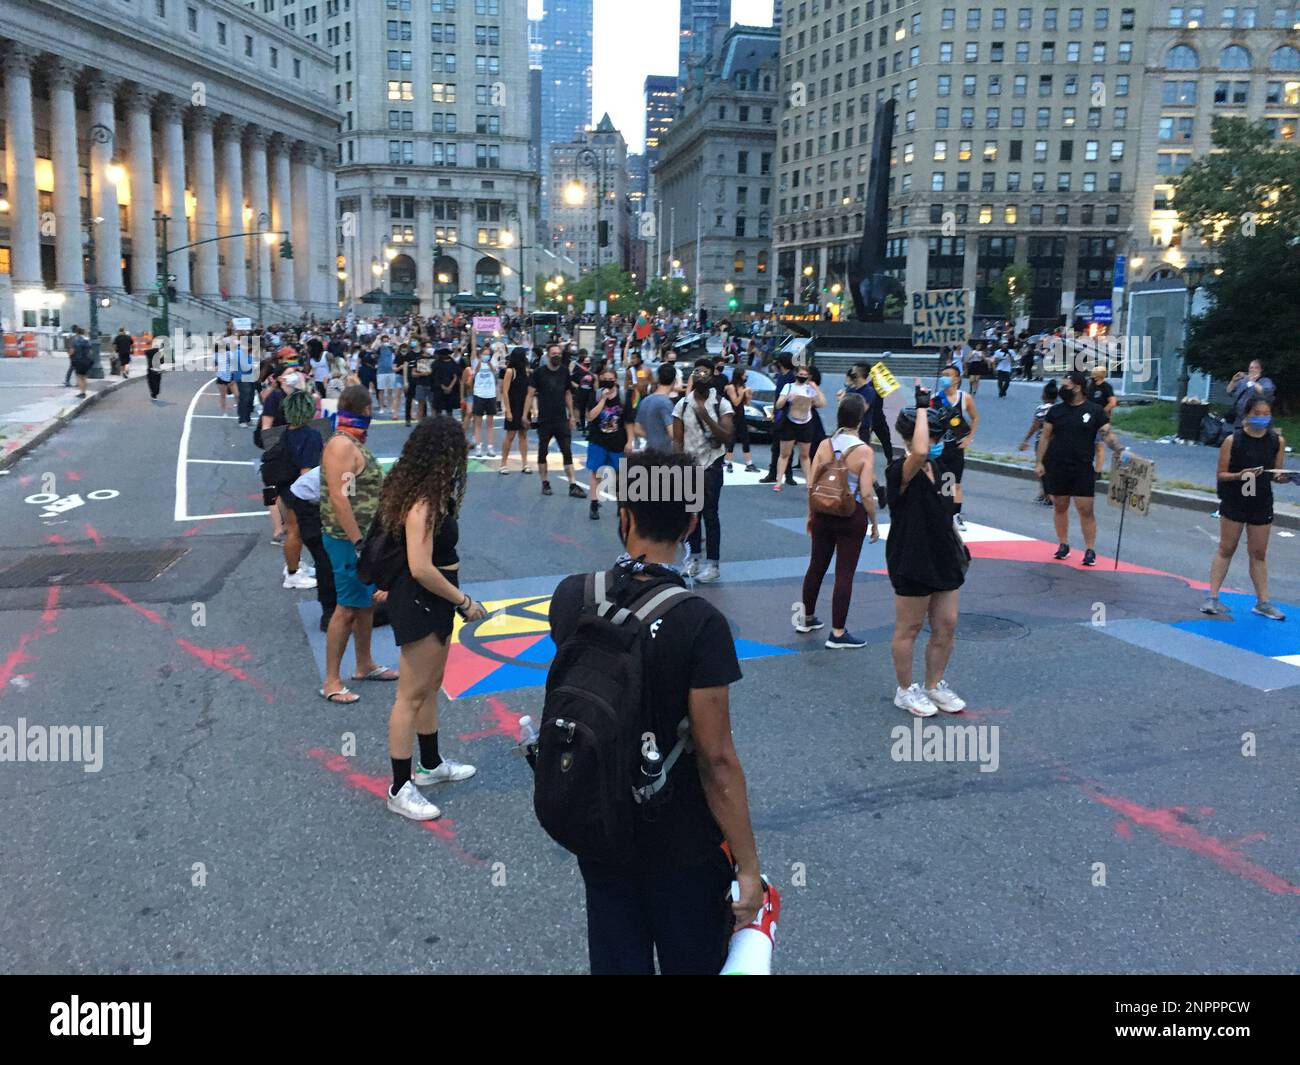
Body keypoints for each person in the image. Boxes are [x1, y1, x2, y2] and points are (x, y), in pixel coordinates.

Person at [546, 449, 763, 975]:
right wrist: (750, 868)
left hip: (598, 817)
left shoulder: (574, 595)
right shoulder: (699, 622)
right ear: (691, 523)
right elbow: (715, 759)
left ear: (624, 516)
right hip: (680, 837)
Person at [378, 417, 486, 821]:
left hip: (433, 599)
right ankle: (399, 787)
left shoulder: (427, 493)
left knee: (429, 685)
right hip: (425, 599)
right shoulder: (423, 501)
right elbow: (421, 567)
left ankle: (429, 763)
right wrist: (463, 601)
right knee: (409, 695)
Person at [886, 404, 971, 718]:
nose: (936, 440)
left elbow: (948, 509)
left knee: (946, 625)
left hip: (944, 554)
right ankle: (906, 690)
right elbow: (919, 452)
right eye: (931, 435)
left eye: (938, 435)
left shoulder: (944, 467)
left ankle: (934, 685)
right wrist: (922, 409)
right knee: (909, 626)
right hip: (911, 555)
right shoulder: (899, 470)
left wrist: (959, 545)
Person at [319, 385, 398, 704]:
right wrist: (358, 542)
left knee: (365, 603)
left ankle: (364, 664)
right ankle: (331, 681)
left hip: (362, 538)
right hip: (347, 540)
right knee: (347, 607)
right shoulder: (341, 445)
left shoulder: (350, 442)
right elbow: (340, 497)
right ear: (365, 410)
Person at [798, 394, 880, 649]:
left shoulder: (824, 445)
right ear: (860, 419)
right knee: (844, 573)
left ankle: (806, 618)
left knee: (816, 566)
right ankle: (838, 632)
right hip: (850, 514)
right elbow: (866, 493)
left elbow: (811, 484)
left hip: (822, 511)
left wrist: (810, 514)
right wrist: (874, 522)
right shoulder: (864, 451)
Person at [1201, 398, 1292, 621]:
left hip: (1261, 500)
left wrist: (1283, 477)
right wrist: (1239, 476)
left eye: (1266, 413)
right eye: (1258, 412)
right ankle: (1212, 596)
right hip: (1235, 499)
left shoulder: (1276, 441)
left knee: (1259, 552)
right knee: (1227, 547)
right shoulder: (1233, 440)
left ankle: (1263, 602)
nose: (1263, 417)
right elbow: (1221, 474)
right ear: (1248, 414)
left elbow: (1276, 472)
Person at [1036, 370, 1129, 567]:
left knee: (1086, 508)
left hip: (1082, 466)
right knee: (1060, 505)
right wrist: (1039, 462)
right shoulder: (1056, 411)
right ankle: (1063, 544)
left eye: (1066, 385)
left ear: (1078, 387)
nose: (1063, 389)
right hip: (1057, 465)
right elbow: (1045, 437)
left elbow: (1107, 434)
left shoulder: (1095, 410)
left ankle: (1089, 549)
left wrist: (1120, 449)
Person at [672, 367, 733, 583]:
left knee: (710, 514)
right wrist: (679, 464)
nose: (702, 388)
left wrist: (706, 416)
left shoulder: (721, 404)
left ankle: (713, 565)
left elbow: (727, 436)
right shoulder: (683, 404)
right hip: (690, 464)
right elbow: (677, 438)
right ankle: (693, 560)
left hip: (712, 465)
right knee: (691, 514)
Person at [275, 390, 324, 590]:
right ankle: (293, 574)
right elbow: (307, 472)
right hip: (298, 491)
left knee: (291, 531)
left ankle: (293, 567)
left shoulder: (282, 432)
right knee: (296, 532)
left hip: (282, 487)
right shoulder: (311, 436)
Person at [526, 343, 583, 498]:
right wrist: (526, 415)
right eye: (553, 353)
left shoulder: (564, 372)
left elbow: (568, 394)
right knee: (542, 452)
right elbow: (530, 394)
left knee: (567, 451)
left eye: (558, 353)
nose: (556, 355)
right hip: (544, 420)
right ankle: (545, 483)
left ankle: (573, 484)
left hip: (561, 419)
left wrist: (571, 416)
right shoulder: (538, 373)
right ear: (548, 355)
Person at [933, 364, 979, 531]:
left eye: (948, 375)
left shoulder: (964, 397)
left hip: (956, 446)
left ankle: (956, 515)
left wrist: (969, 438)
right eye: (943, 374)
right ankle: (942, 513)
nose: (945, 377)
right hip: (938, 448)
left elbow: (975, 418)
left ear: (957, 379)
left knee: (956, 483)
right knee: (942, 482)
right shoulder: (935, 398)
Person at [772, 365, 825, 492]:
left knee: (805, 455)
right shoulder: (789, 387)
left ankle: (809, 482)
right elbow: (778, 404)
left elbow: (821, 403)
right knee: (785, 453)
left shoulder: (810, 389)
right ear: (795, 375)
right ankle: (779, 481)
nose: (802, 377)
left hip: (805, 422)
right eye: (800, 374)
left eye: (805, 375)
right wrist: (787, 398)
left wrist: (816, 389)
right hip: (790, 421)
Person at [585, 368, 628, 521]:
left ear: (615, 380)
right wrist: (602, 400)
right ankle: (594, 504)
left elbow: (628, 421)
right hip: (598, 440)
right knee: (596, 473)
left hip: (617, 441)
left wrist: (629, 441)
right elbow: (590, 417)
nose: (608, 381)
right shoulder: (596, 395)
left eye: (610, 378)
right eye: (605, 378)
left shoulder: (623, 396)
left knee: (619, 474)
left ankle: (621, 505)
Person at [1018, 379, 1059, 505]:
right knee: (1052, 469)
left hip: (1042, 442)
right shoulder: (1059, 409)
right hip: (1056, 442)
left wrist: (1025, 440)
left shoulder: (1041, 409)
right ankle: (1044, 493)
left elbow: (1034, 426)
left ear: (1044, 395)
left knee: (1041, 467)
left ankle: (1047, 494)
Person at [499, 347, 533, 475]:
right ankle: (503, 463)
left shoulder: (527, 372)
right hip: (513, 406)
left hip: (524, 407)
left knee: (523, 435)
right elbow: (505, 392)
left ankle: (525, 463)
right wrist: (508, 410)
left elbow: (529, 392)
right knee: (510, 435)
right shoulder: (510, 372)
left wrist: (531, 408)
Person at [469, 338, 499, 458]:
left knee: (490, 423)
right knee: (478, 423)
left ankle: (490, 447)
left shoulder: (493, 362)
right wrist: (473, 334)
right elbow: (475, 371)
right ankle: (478, 447)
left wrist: (489, 361)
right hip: (479, 394)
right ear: (480, 354)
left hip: (490, 395)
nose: (486, 356)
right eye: (484, 354)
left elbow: (494, 370)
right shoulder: (476, 362)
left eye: (488, 354)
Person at [637, 364, 678, 453]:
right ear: (674, 381)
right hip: (663, 454)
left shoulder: (645, 400)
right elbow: (673, 434)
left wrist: (651, 436)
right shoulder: (666, 403)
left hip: (648, 451)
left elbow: (637, 429)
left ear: (658, 379)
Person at [723, 367, 758, 472]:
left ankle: (749, 463)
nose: (745, 377)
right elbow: (735, 402)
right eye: (744, 375)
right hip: (731, 415)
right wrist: (742, 392)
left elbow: (746, 403)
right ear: (739, 375)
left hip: (741, 414)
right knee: (732, 439)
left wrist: (749, 395)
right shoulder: (730, 387)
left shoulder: (742, 386)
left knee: (745, 438)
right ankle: (728, 462)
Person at [1087, 365, 1119, 476]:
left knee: (1099, 445)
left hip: (1101, 420)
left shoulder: (1106, 387)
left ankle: (1098, 471)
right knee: (1088, 444)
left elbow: (1113, 402)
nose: (1092, 376)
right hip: (1089, 418)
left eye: (1095, 374)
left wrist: (1102, 412)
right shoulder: (1090, 386)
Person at [1227, 359, 1276, 429]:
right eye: (1251, 367)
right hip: (1239, 419)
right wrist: (1233, 381)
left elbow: (1265, 393)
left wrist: (1252, 382)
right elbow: (1229, 391)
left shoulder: (1265, 381)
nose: (1253, 370)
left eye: (1256, 367)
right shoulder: (1243, 381)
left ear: (1261, 370)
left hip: (1255, 419)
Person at [432, 347, 461, 418]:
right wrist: (445, 387)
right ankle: (439, 423)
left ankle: (449, 422)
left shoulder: (452, 363)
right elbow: (435, 377)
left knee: (449, 408)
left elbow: (455, 376)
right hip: (439, 389)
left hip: (451, 389)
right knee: (438, 409)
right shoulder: (436, 364)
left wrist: (449, 387)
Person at [68, 326, 93, 398]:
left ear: (77, 333)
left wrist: (70, 355)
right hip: (86, 361)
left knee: (79, 377)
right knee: (84, 377)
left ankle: (82, 392)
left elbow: (72, 352)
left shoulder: (75, 341)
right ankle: (84, 391)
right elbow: (90, 352)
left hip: (78, 361)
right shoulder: (86, 341)